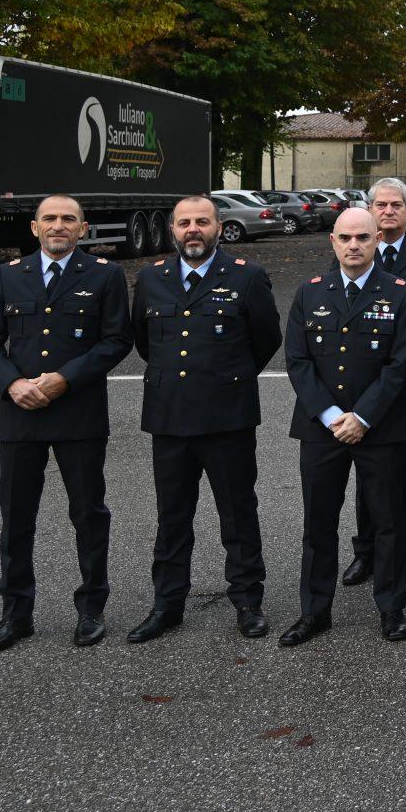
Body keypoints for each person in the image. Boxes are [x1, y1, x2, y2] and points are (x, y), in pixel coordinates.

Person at [0, 195, 132, 653]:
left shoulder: (104, 275)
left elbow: (116, 340)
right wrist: (11, 385)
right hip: (19, 414)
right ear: (34, 227)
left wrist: (66, 378)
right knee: (16, 518)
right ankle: (15, 614)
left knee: (88, 514)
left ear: (83, 229)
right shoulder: (9, 275)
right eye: (50, 219)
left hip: (78, 413)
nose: (58, 225)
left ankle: (91, 609)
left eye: (68, 219)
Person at [126, 196, 282, 643]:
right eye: (184, 223)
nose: (193, 230)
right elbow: (144, 340)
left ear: (218, 226)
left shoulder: (246, 276)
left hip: (227, 417)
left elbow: (265, 340)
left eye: (202, 222)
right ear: (173, 230)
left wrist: (222, 379)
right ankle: (167, 604)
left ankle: (248, 601)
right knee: (172, 516)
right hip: (169, 418)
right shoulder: (152, 278)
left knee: (238, 513)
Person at [281, 208, 406, 646]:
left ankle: (391, 608)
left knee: (387, 522)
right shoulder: (310, 291)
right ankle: (314, 611)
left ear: (378, 240)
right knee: (318, 523)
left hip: (380, 428)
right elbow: (298, 361)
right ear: (333, 242)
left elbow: (401, 364)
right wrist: (330, 416)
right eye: (345, 237)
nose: (354, 245)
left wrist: (362, 417)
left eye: (363, 237)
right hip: (321, 429)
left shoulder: (401, 293)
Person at [343, 177, 406, 591]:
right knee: (367, 472)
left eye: (396, 205)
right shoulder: (354, 248)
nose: (388, 211)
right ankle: (365, 550)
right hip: (365, 387)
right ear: (370, 208)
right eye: (380, 204)